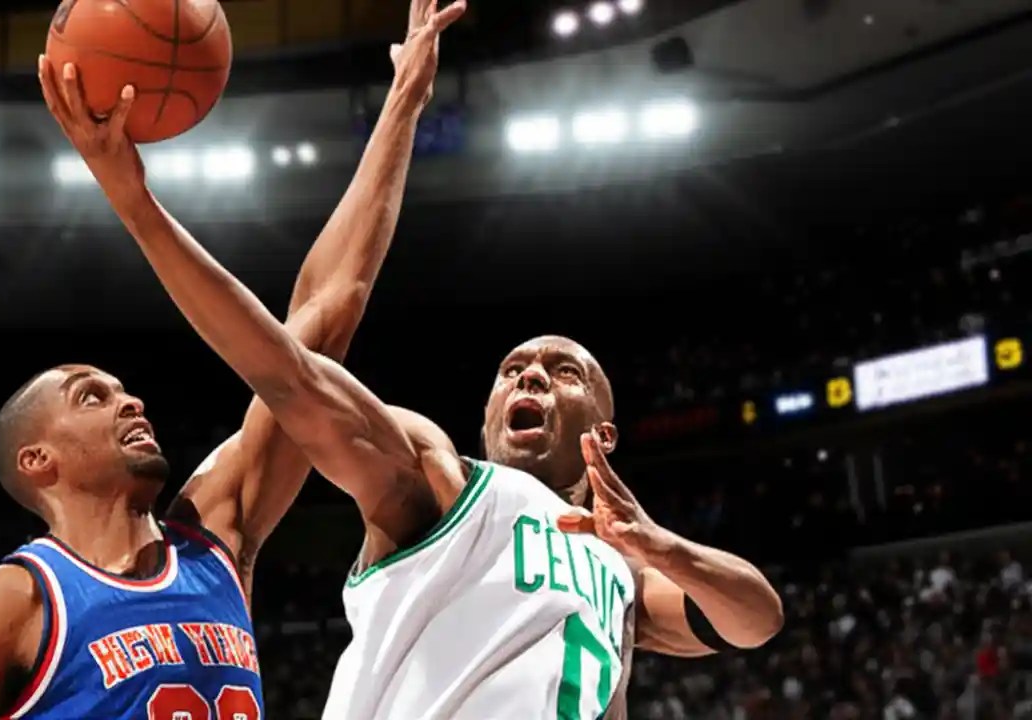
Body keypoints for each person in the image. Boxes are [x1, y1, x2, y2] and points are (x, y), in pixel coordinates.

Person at [71, 6, 782, 718]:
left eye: (566, 372)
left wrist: (658, 544)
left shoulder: (624, 570)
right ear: (486, 415)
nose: (530, 374)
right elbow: (290, 364)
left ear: (607, 432)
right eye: (511, 370)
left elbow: (756, 617)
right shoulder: (442, 483)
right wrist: (137, 205)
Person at [0, 2, 463, 717]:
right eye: (90, 397)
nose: (131, 402)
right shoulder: (9, 601)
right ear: (38, 460)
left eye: (123, 390)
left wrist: (402, 108)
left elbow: (324, 316)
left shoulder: (217, 537)